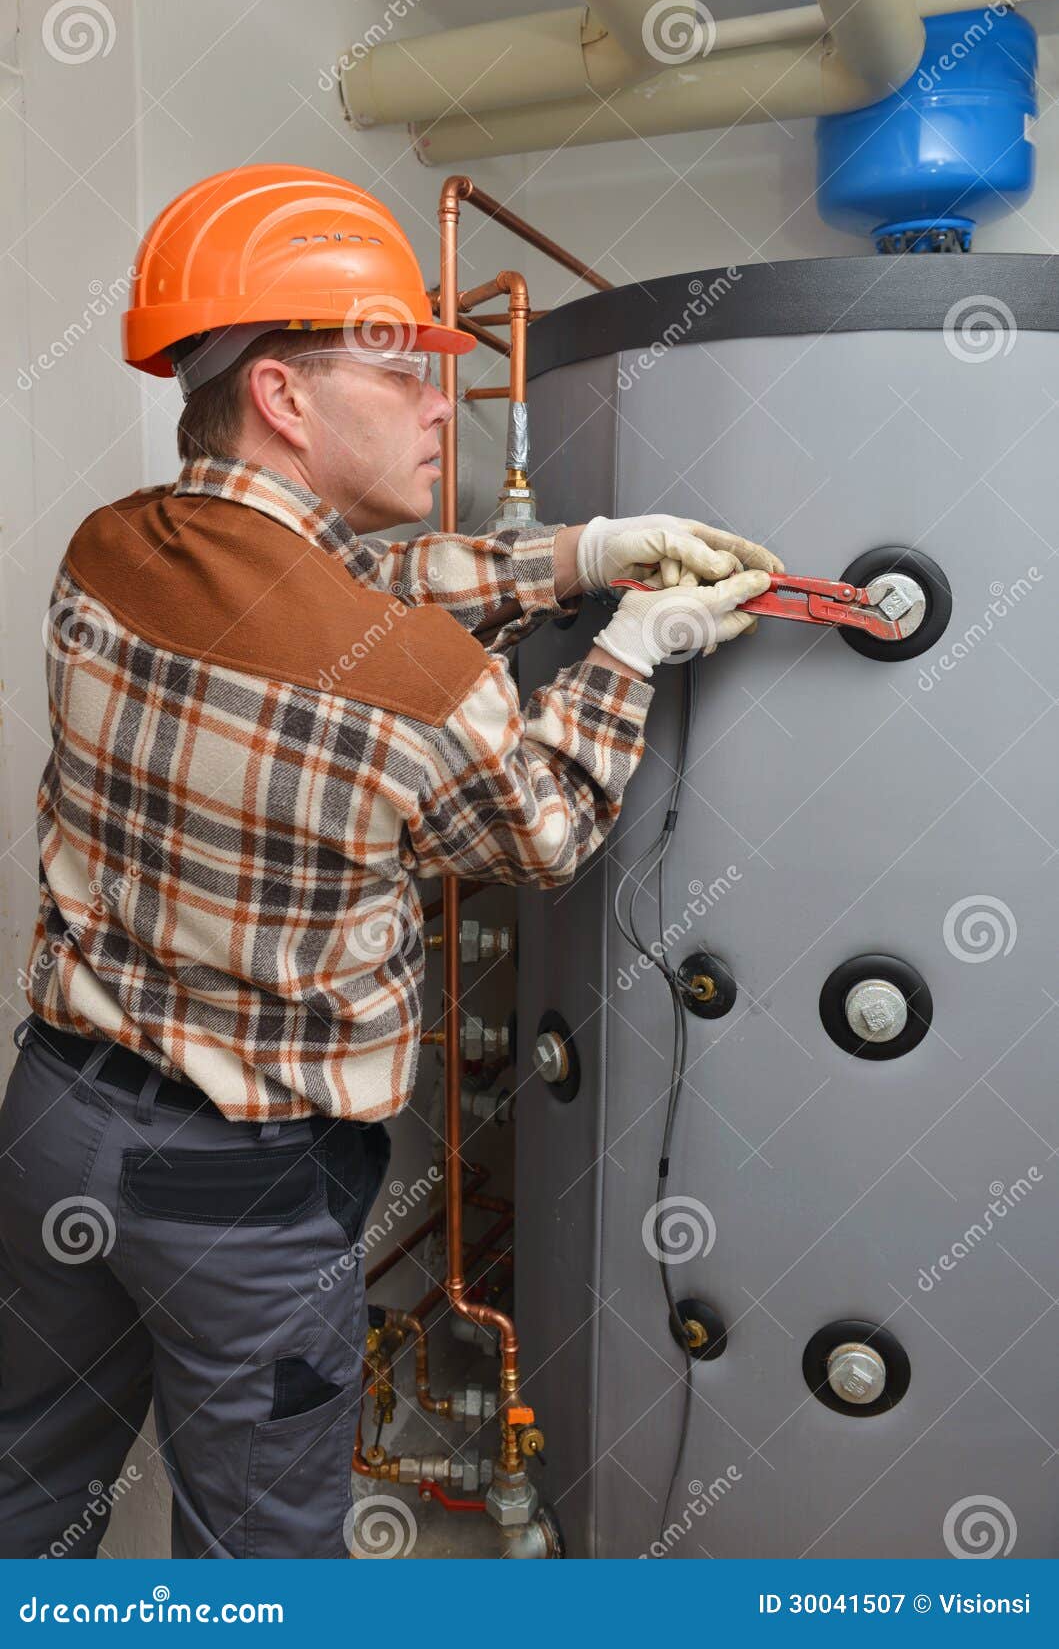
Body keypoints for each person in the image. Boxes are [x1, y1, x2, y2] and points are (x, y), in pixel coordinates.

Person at [0, 165, 782, 1559]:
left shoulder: (110, 551)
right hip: (237, 1195)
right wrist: (631, 648)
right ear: (287, 397)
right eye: (405, 366)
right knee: (262, 1551)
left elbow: (328, 604)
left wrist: (581, 555)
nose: (442, 402)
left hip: (54, 1119)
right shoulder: (414, 692)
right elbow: (541, 830)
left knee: (27, 1487)